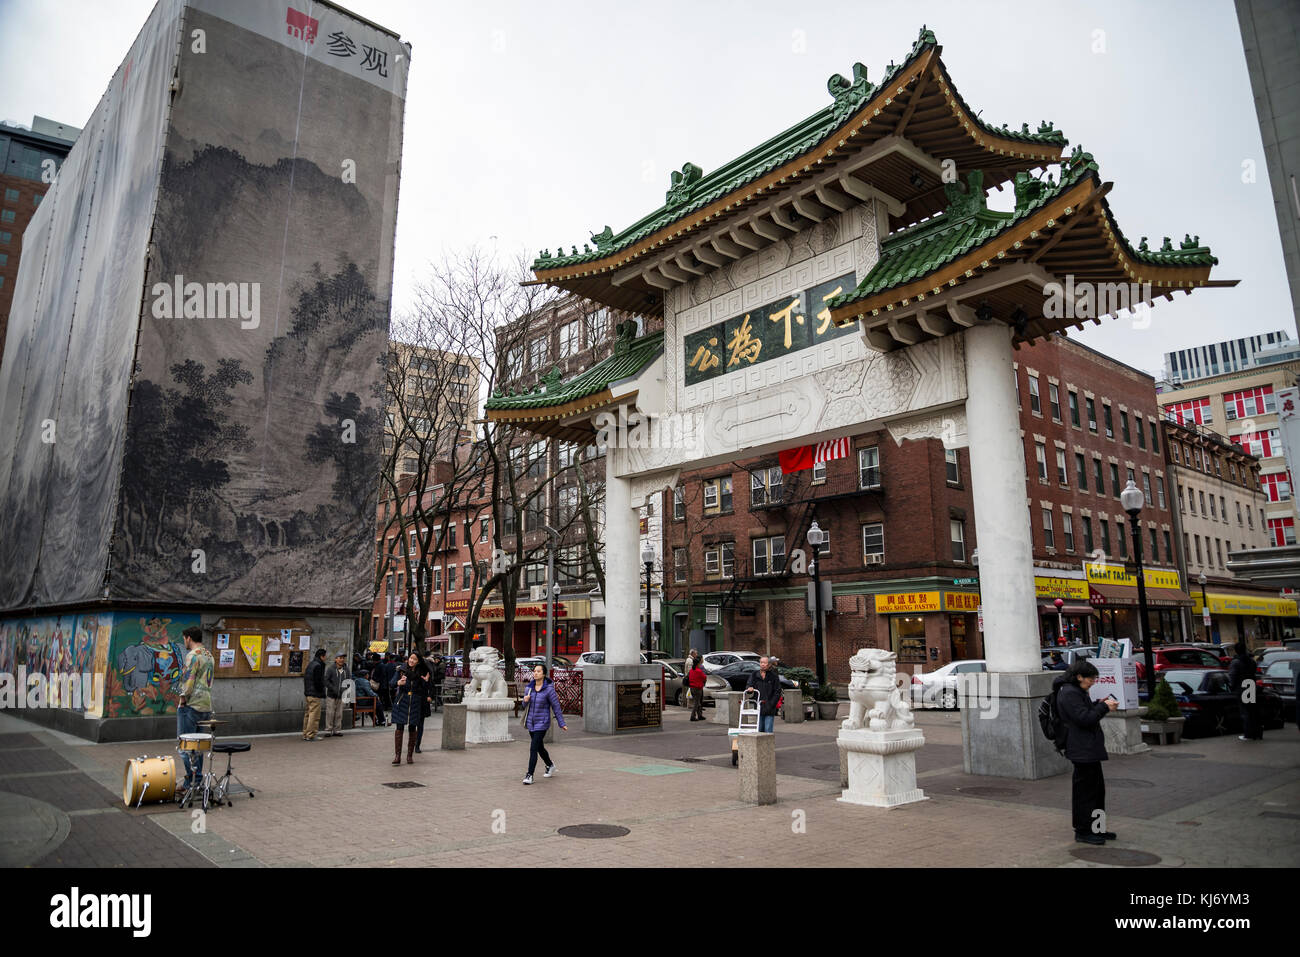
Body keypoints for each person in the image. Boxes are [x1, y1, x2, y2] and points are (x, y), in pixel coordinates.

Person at [1055, 660, 1118, 845]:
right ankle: (1083, 831)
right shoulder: (1069, 693)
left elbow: (1084, 712)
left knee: (1097, 791)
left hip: (1088, 748)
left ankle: (1097, 828)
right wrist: (1104, 707)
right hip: (1081, 749)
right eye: (1091, 679)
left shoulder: (1076, 691)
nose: (1093, 682)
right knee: (1085, 793)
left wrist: (1098, 704)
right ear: (1079, 677)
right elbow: (1084, 718)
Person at [176, 626, 214, 795]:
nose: (184, 641)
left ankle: (193, 781)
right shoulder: (209, 655)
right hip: (206, 704)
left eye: (184, 638)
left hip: (191, 705)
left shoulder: (192, 656)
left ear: (189, 638)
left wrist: (182, 699)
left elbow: (188, 680)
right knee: (198, 746)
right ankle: (194, 781)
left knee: (185, 746)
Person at [521, 663, 567, 784]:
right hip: (531, 722)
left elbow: (556, 706)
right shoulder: (529, 688)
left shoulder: (549, 690)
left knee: (533, 748)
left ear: (544, 674)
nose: (535, 673)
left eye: (538, 671)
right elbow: (524, 706)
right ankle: (550, 765)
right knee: (539, 747)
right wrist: (525, 701)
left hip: (542, 722)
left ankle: (529, 775)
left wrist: (561, 723)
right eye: (534, 671)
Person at [389, 652, 428, 765]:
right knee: (399, 727)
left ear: (418, 661)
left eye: (414, 659)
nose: (411, 660)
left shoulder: (421, 672)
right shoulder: (400, 670)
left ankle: (410, 755)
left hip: (415, 702)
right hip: (402, 700)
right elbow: (391, 684)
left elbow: (424, 689)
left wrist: (425, 681)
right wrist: (399, 682)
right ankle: (397, 756)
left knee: (412, 727)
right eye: (411, 658)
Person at [1228, 642, 1262, 741]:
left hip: (1242, 688)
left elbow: (1232, 676)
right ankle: (1257, 733)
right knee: (1253, 711)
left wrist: (1231, 687)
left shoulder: (1236, 662)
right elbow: (1254, 672)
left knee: (1245, 712)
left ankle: (1248, 734)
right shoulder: (1251, 661)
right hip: (1251, 686)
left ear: (1236, 651)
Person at [745, 655, 782, 734]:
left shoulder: (773, 676)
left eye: (765, 663)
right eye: (761, 662)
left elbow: (777, 692)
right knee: (759, 730)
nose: (762, 664)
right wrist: (749, 689)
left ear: (769, 664)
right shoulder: (754, 674)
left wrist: (772, 704)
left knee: (768, 730)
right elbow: (748, 686)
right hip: (759, 706)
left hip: (769, 707)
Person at [302, 648, 327, 741]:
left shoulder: (311, 664)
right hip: (315, 694)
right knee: (314, 715)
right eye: (325, 656)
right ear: (322, 656)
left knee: (308, 714)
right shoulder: (318, 666)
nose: (325, 658)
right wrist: (321, 691)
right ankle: (311, 734)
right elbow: (318, 682)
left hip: (308, 693)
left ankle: (305, 733)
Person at [324, 652, 349, 737]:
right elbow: (326, 681)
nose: (342, 660)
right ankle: (328, 730)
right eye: (340, 658)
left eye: (343, 658)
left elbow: (349, 680)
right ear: (336, 659)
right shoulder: (331, 669)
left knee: (339, 714)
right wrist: (333, 688)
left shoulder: (346, 669)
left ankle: (337, 730)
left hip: (341, 695)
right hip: (331, 695)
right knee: (330, 713)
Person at [687, 656, 707, 721]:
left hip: (692, 688)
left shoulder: (691, 671)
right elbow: (704, 677)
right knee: (696, 703)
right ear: (698, 664)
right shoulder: (699, 671)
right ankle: (692, 716)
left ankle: (700, 715)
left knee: (698, 702)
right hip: (698, 688)